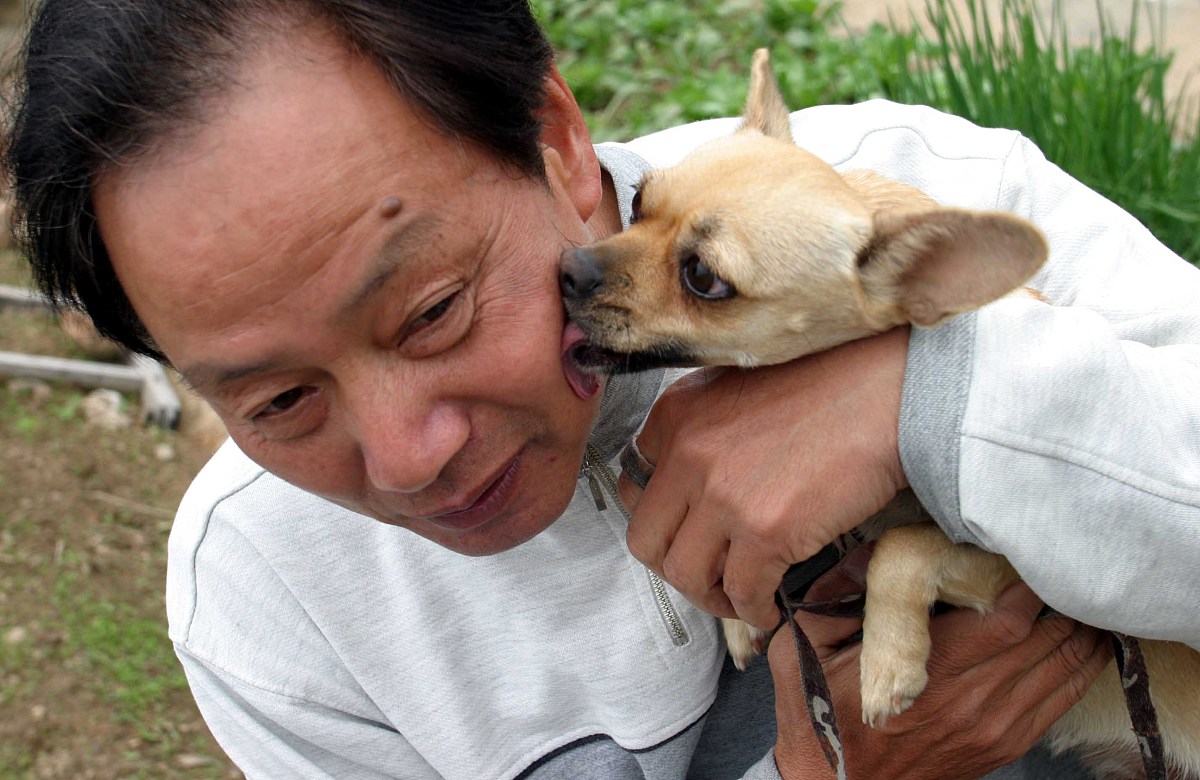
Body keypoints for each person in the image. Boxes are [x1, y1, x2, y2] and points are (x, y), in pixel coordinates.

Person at [4, 1, 1197, 777]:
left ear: (557, 138)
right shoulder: (267, 598)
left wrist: (927, 402)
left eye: (430, 312)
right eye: (275, 403)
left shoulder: (914, 198)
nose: (410, 455)